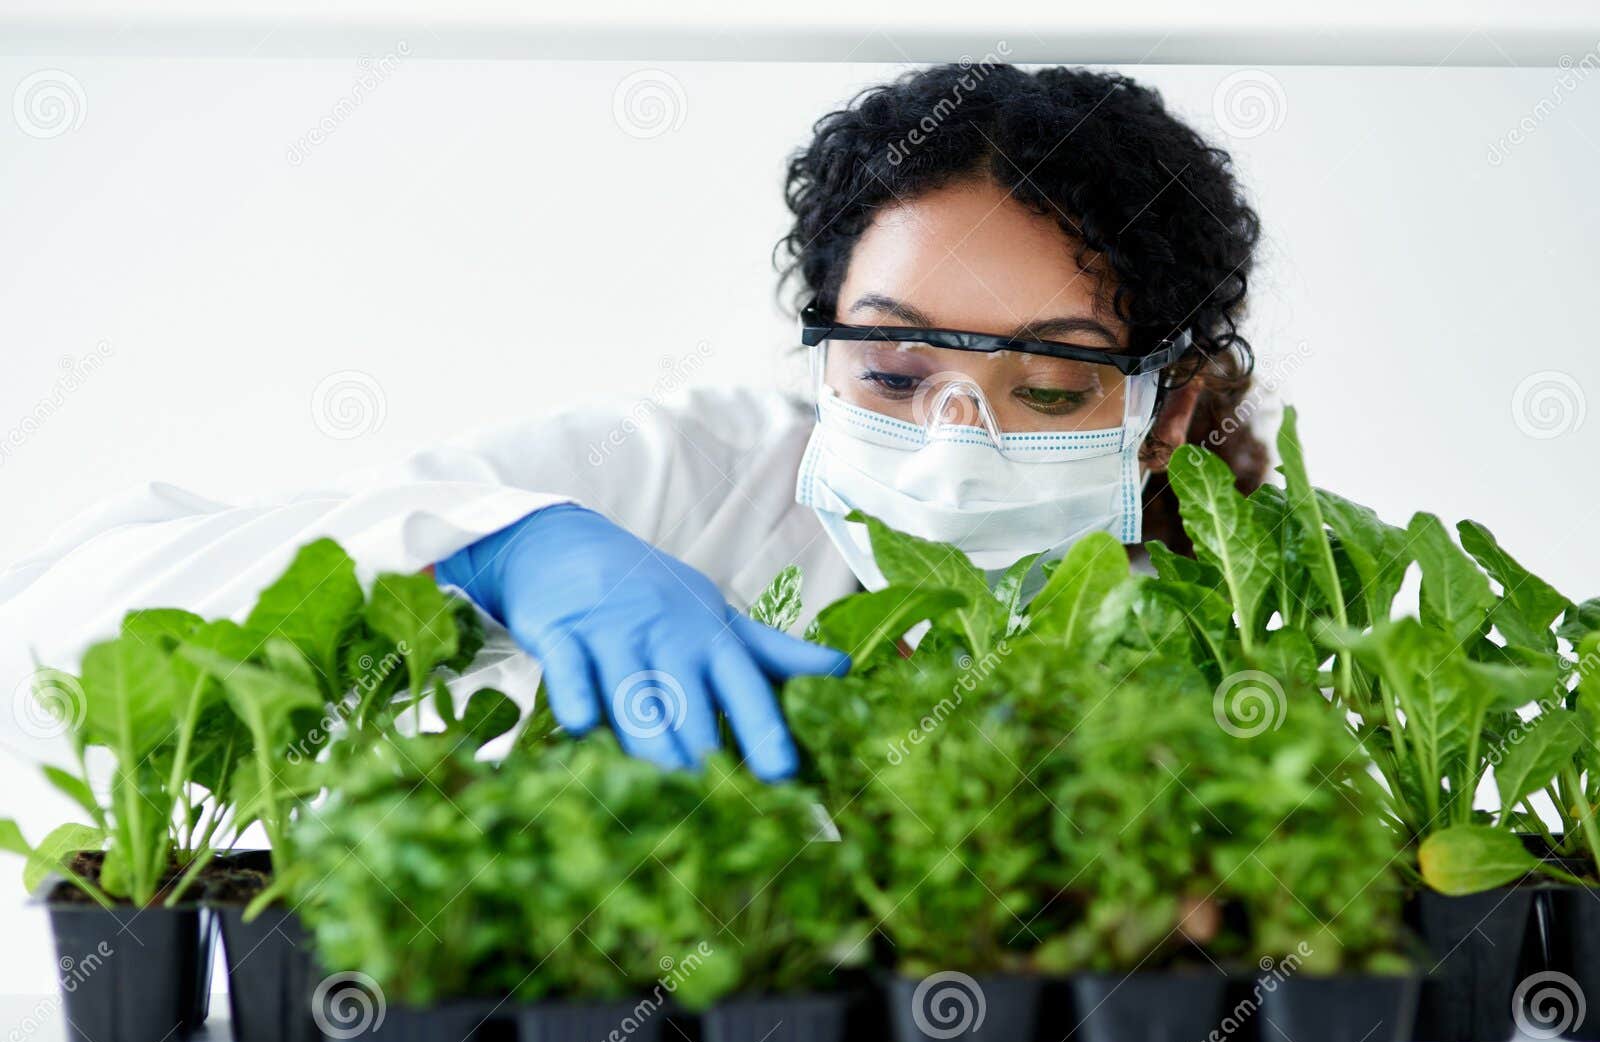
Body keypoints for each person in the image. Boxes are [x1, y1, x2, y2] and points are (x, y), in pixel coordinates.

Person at [0, 64, 1265, 780]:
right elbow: (51, 634)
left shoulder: (1261, 614)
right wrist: (495, 548)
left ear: (1165, 414)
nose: (952, 438)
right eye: (889, 371)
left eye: (1049, 384)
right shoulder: (676, 477)